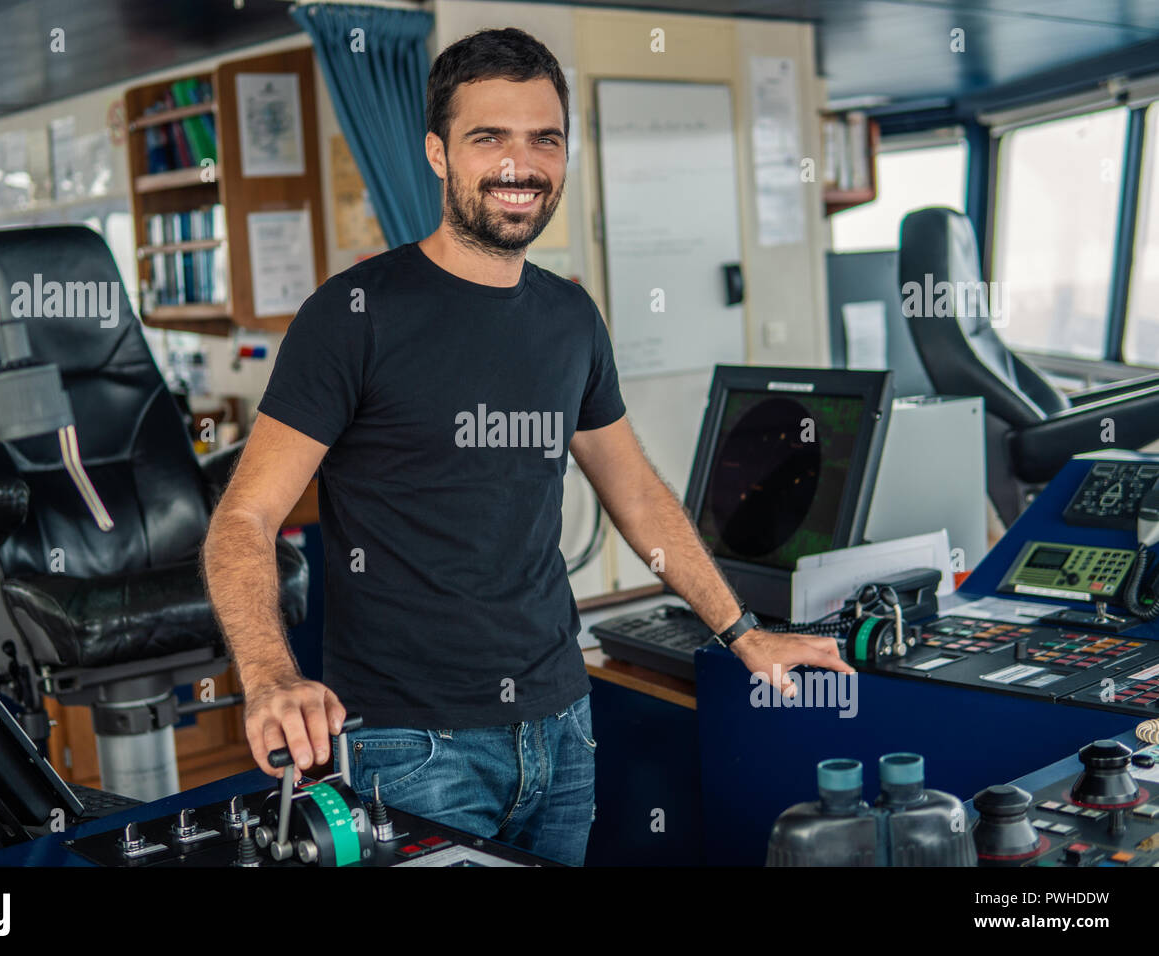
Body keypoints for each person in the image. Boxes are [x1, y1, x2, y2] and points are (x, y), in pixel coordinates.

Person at [202, 27, 852, 867]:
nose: (522, 164)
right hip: (411, 746)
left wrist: (740, 630)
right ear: (438, 154)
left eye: (544, 138)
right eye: (489, 137)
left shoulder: (570, 317)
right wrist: (270, 677)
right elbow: (243, 519)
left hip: (562, 724)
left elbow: (639, 495)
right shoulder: (353, 314)